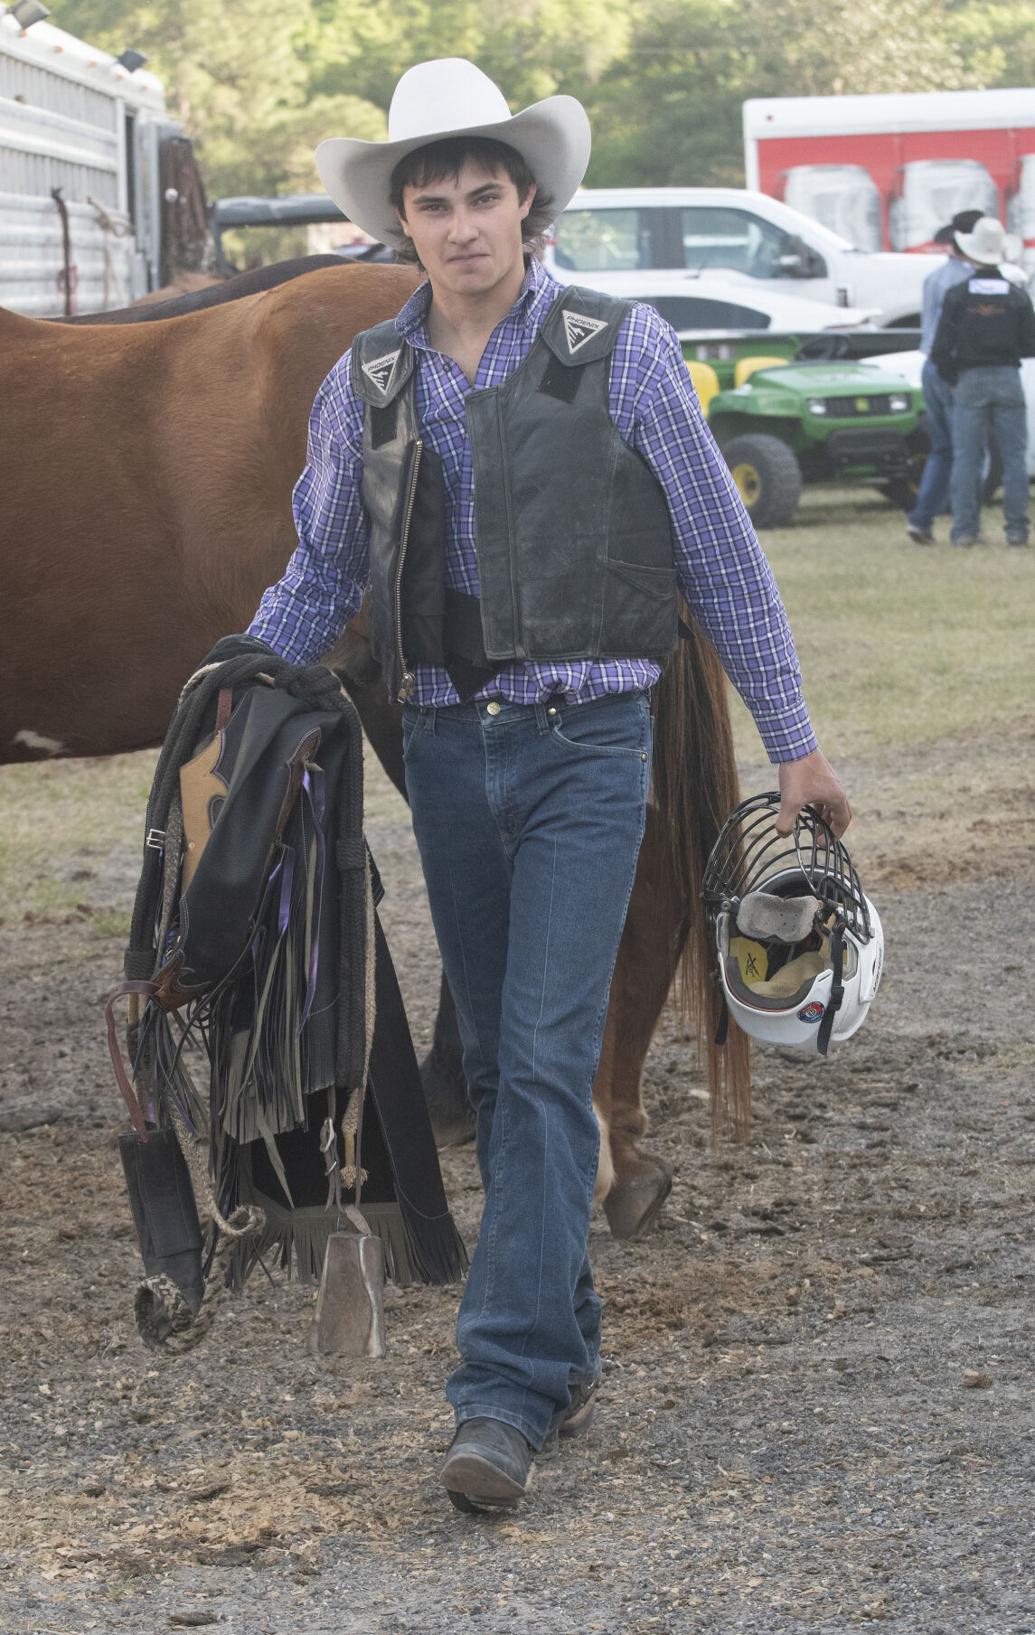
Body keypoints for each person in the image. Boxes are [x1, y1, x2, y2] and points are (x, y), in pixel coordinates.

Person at [235, 57, 851, 1512]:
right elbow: (321, 567)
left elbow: (718, 552)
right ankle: (565, 1345)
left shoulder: (618, 348)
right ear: (401, 222)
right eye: (432, 201)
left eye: (483, 196)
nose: (459, 225)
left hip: (589, 744)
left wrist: (793, 738)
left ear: (530, 203)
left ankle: (499, 1385)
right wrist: (230, 681)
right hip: (446, 753)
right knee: (516, 1067)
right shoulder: (365, 380)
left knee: (541, 1055)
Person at [931, 215, 1035, 547]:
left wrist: (951, 378)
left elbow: (940, 348)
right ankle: (1017, 530)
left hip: (969, 379)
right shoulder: (1017, 296)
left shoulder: (958, 295)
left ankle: (965, 530)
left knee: (967, 455)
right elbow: (1030, 344)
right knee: (1015, 456)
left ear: (972, 252)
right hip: (1007, 376)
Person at [905, 209, 983, 545]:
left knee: (942, 449)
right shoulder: (966, 281)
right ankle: (964, 525)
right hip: (953, 368)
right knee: (967, 449)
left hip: (929, 367)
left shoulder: (935, 276)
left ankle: (922, 518)